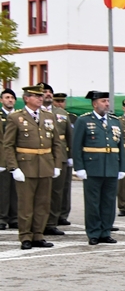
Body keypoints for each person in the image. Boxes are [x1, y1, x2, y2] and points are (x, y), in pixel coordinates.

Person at [1, 84, 65, 249]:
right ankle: (25, 236)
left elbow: (57, 143)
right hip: (25, 166)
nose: (40, 98)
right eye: (36, 96)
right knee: (26, 205)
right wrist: (13, 168)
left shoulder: (48, 116)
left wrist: (57, 164)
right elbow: (8, 145)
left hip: (45, 164)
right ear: (27, 98)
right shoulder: (16, 117)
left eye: (41, 96)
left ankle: (38, 235)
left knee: (43, 204)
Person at [73, 91, 125, 245]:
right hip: (92, 167)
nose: (107, 104)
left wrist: (121, 167)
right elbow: (77, 146)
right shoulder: (84, 121)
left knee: (109, 202)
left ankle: (105, 231)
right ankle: (94, 232)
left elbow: (120, 146)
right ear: (95, 103)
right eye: (103, 101)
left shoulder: (115, 121)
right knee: (93, 203)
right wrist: (79, 167)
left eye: (107, 101)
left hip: (111, 166)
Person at [42, 86, 73, 236]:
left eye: (50, 92)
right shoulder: (32, 114)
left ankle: (51, 223)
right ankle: (38, 222)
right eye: (44, 92)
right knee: (40, 192)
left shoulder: (61, 114)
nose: (48, 94)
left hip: (59, 156)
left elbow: (69, 136)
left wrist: (71, 156)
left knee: (57, 191)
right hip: (40, 157)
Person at [0, 87, 17, 231]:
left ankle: (14, 217)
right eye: (7, 97)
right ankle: (2, 217)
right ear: (1, 100)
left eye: (12, 98)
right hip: (2, 158)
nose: (10, 100)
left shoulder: (18, 116)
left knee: (16, 189)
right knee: (3, 189)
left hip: (17, 157)